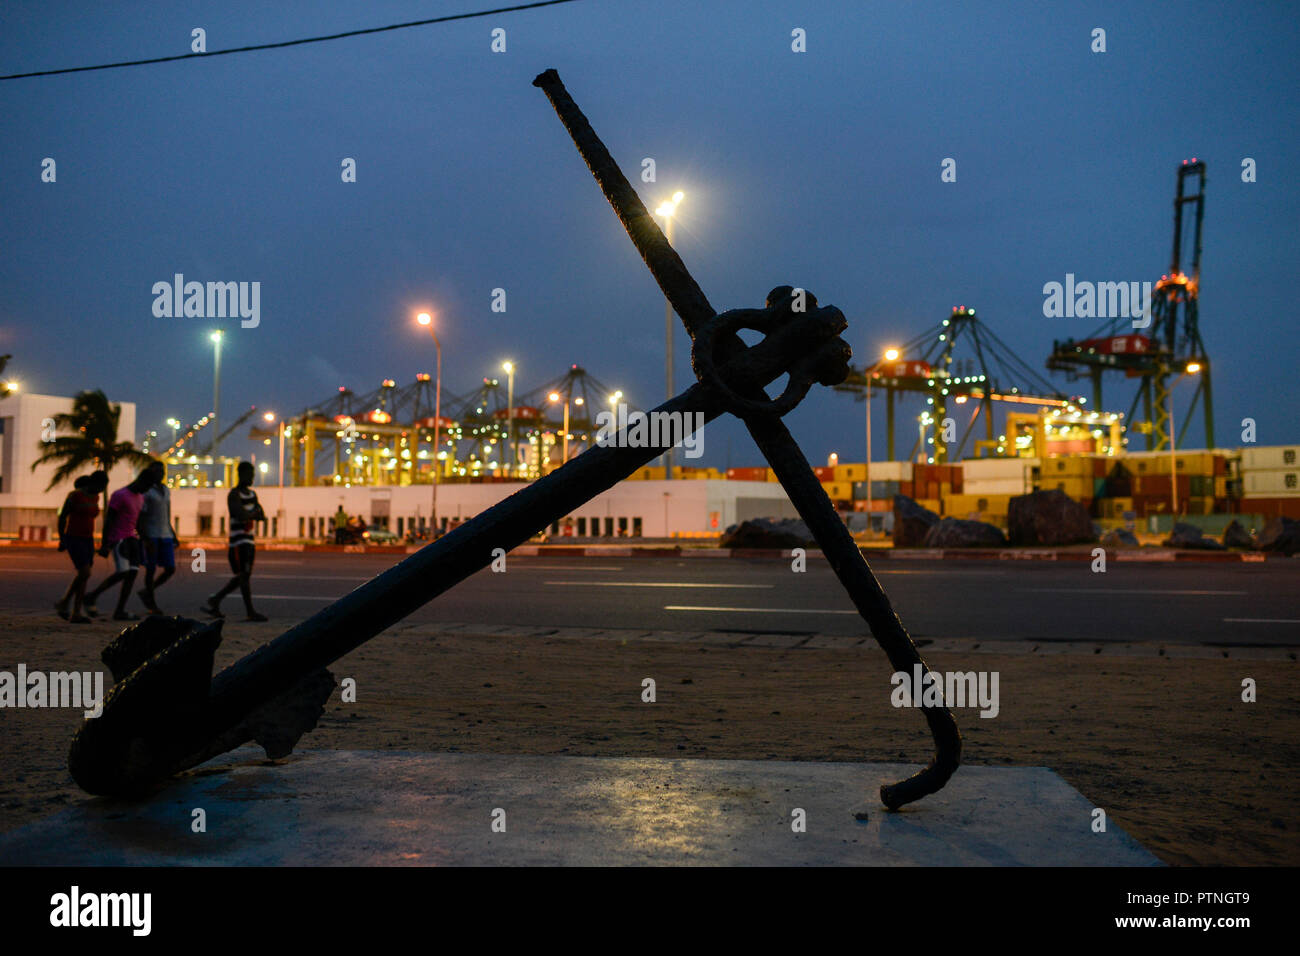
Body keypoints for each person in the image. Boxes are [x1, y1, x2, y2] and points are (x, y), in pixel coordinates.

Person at [84, 467, 159, 621]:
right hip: (119, 539)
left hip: (132, 539)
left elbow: (137, 521)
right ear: (141, 480)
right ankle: (91, 596)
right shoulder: (120, 495)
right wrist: (105, 544)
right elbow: (109, 519)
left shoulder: (140, 497)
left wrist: (145, 539)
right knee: (123, 572)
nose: (146, 490)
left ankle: (120, 610)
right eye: (147, 486)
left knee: (132, 573)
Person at [200, 461, 268, 621]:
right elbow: (239, 514)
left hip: (249, 541)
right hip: (237, 543)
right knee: (243, 576)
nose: (252, 478)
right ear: (241, 474)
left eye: (253, 475)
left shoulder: (252, 494)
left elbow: (261, 515)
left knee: (244, 576)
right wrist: (252, 513)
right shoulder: (233, 494)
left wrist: (248, 513)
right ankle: (245, 610)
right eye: (249, 475)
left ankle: (217, 600)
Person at [54, 470, 109, 623]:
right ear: (94, 482)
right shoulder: (75, 495)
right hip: (74, 538)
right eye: (101, 486)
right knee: (85, 572)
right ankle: (64, 602)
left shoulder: (96, 497)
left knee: (84, 575)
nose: (102, 490)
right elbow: (63, 516)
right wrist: (62, 538)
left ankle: (75, 612)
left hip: (88, 539)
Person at [137, 460, 179, 614]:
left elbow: (167, 513)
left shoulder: (166, 490)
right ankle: (151, 603)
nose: (160, 474)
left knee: (170, 568)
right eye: (157, 472)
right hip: (151, 534)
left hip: (165, 533)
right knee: (151, 569)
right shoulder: (146, 492)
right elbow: (140, 516)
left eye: (162, 472)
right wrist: (145, 537)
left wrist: (173, 533)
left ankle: (147, 592)